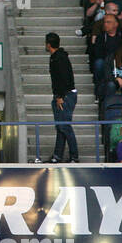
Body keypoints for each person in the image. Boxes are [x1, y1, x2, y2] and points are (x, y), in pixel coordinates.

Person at [46, 32, 78, 163]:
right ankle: (57, 155)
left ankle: (74, 156)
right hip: (66, 93)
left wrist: (59, 96)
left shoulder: (58, 58)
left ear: (48, 44)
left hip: (65, 95)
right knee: (61, 126)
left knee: (64, 126)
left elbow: (61, 78)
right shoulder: (60, 56)